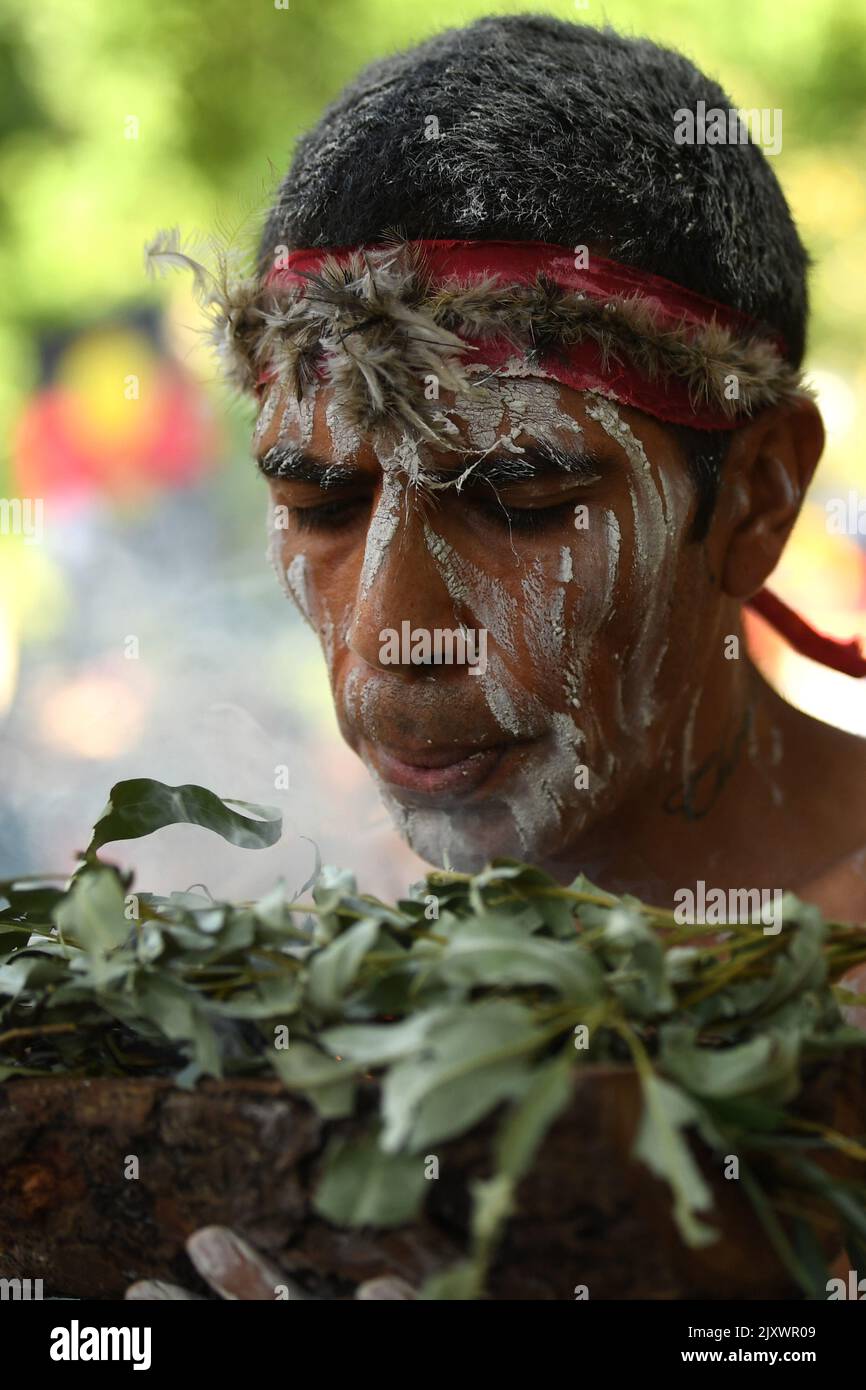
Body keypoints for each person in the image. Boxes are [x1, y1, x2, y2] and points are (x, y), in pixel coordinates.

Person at [131, 13, 866, 1301]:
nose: (387, 634)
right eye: (319, 503)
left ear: (754, 499)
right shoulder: (325, 994)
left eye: (520, 498)